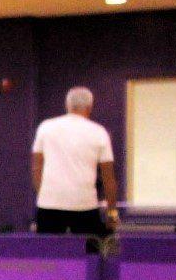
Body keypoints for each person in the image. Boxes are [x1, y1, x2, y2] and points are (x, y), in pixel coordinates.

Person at [32, 87, 118, 236]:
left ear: (67, 105)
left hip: (49, 204)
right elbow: (108, 178)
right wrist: (112, 213)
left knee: (49, 256)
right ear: (90, 107)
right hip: (84, 205)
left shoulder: (45, 127)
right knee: (91, 255)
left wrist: (44, 194)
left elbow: (36, 167)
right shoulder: (99, 132)